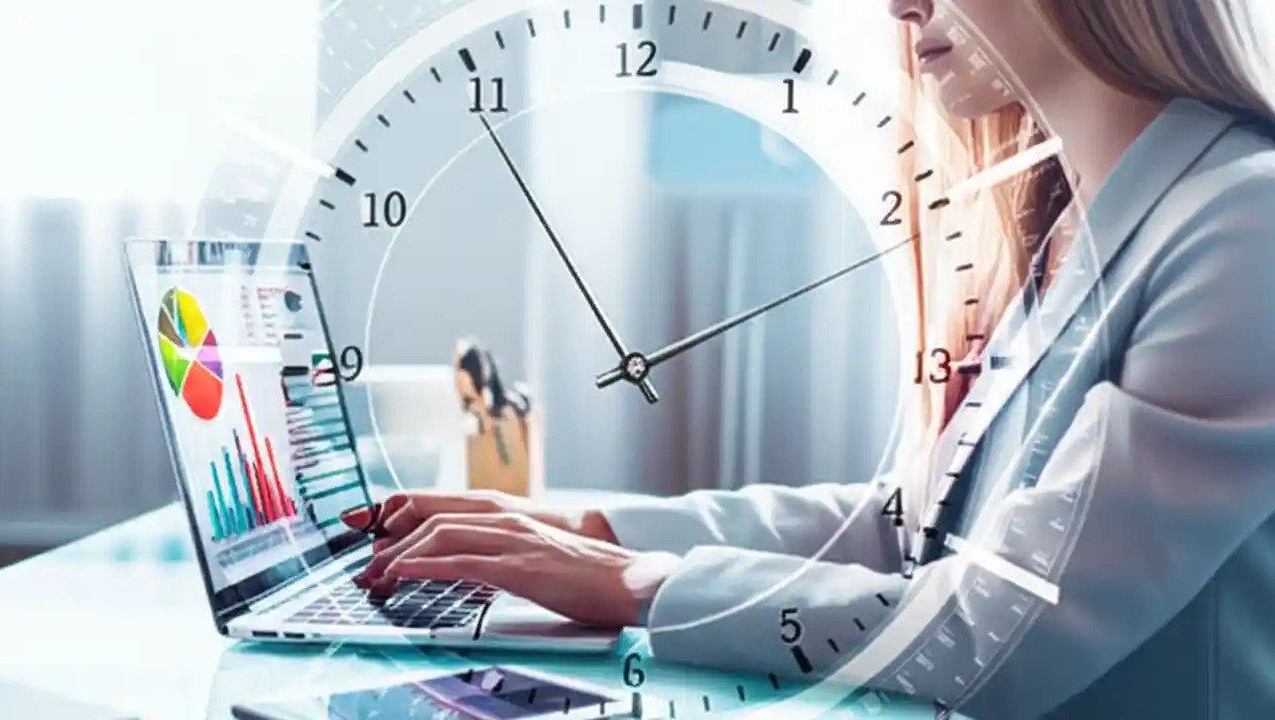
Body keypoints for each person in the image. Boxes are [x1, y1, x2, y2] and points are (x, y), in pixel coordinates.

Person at [340, 1, 1275, 716]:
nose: (900, 3)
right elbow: (911, 530)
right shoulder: (1078, 226)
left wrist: (632, 584)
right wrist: (583, 529)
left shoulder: (1245, 223)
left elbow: (1002, 627)